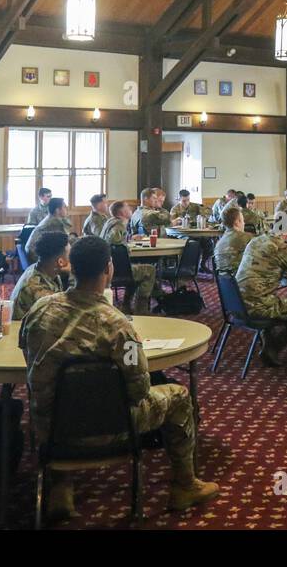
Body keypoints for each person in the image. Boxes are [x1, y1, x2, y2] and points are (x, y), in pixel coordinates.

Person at [19, 237, 219, 521]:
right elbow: (138, 389)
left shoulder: (40, 310)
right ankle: (185, 485)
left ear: (71, 267)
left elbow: (27, 357)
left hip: (49, 426)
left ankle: (60, 486)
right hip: (110, 427)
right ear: (109, 269)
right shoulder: (118, 327)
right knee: (179, 397)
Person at [235, 213, 287, 366]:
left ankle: (267, 340)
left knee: (271, 297)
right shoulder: (281, 248)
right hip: (256, 306)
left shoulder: (256, 240)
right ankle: (273, 348)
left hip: (236, 302)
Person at [99, 201, 160, 315]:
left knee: (137, 271)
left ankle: (126, 305)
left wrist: (129, 238)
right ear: (122, 212)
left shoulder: (110, 222)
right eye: (127, 207)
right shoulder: (119, 225)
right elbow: (114, 241)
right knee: (150, 270)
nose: (130, 209)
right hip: (115, 269)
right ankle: (141, 309)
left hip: (107, 267)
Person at [12, 230, 71, 320]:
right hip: (22, 331)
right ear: (60, 262)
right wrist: (76, 274)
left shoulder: (46, 270)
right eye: (70, 255)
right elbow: (66, 315)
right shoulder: (36, 287)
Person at [214, 205, 255, 271]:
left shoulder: (220, 241)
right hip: (238, 277)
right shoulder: (245, 237)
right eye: (242, 220)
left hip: (222, 278)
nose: (244, 223)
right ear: (237, 222)